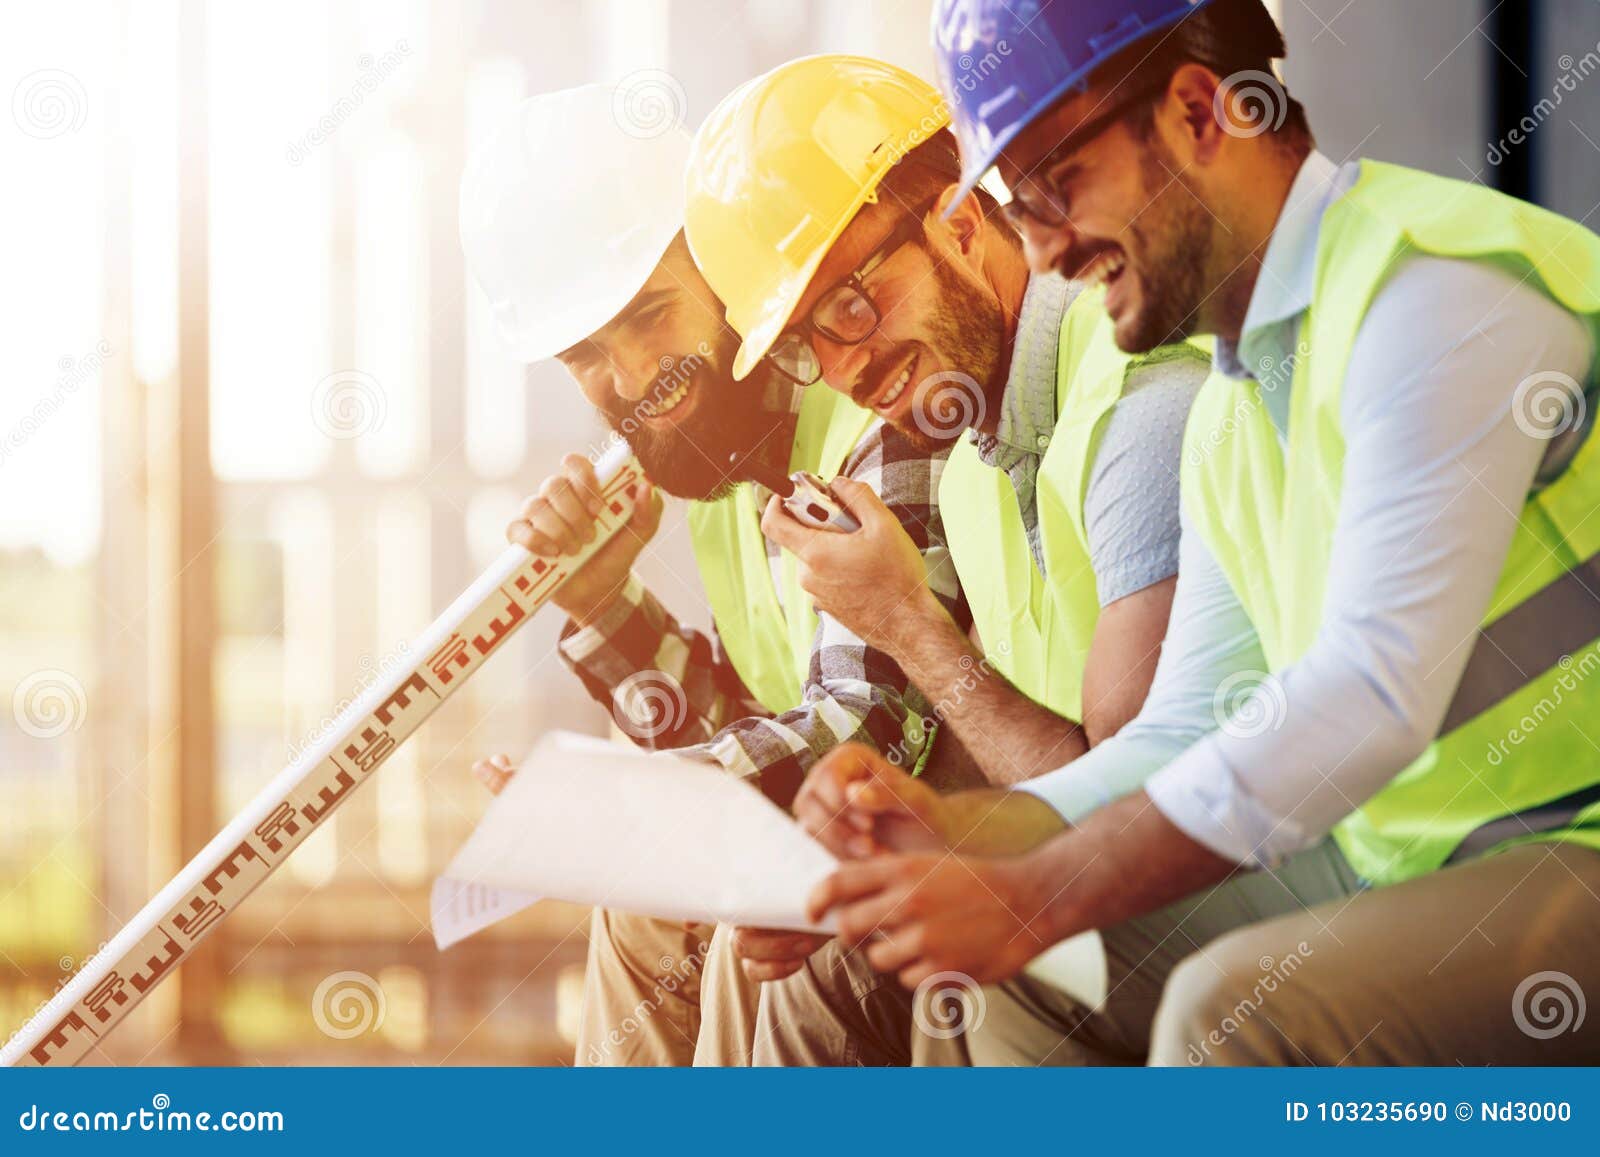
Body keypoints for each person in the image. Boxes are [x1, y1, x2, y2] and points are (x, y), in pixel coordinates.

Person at [807, 0, 1600, 1064]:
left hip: (1569, 840)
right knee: (1018, 979)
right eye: (1017, 205)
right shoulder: (1235, 406)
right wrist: (956, 835)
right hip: (1413, 856)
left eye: (1056, 186)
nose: (1042, 252)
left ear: (1195, 112)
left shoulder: (1430, 290)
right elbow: (1182, 731)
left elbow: (1370, 692)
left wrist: (1041, 892)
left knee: (1237, 1011)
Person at [682, 54, 1223, 1063]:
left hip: (1232, 878)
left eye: (851, 305)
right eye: (806, 345)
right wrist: (891, 828)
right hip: (1113, 856)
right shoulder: (969, 459)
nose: (845, 370)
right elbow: (1023, 761)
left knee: (965, 960)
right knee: (816, 949)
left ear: (962, 222)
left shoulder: (1140, 405)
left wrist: (907, 627)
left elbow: (1136, 813)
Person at [457, 83, 963, 1066]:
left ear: (726, 264)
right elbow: (758, 730)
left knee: (742, 925)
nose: (632, 379)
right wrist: (604, 605)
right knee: (642, 905)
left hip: (970, 843)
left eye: (651, 314)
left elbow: (864, 729)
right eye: (584, 354)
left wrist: (626, 806)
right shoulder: (727, 468)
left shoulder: (876, 402)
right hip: (871, 835)